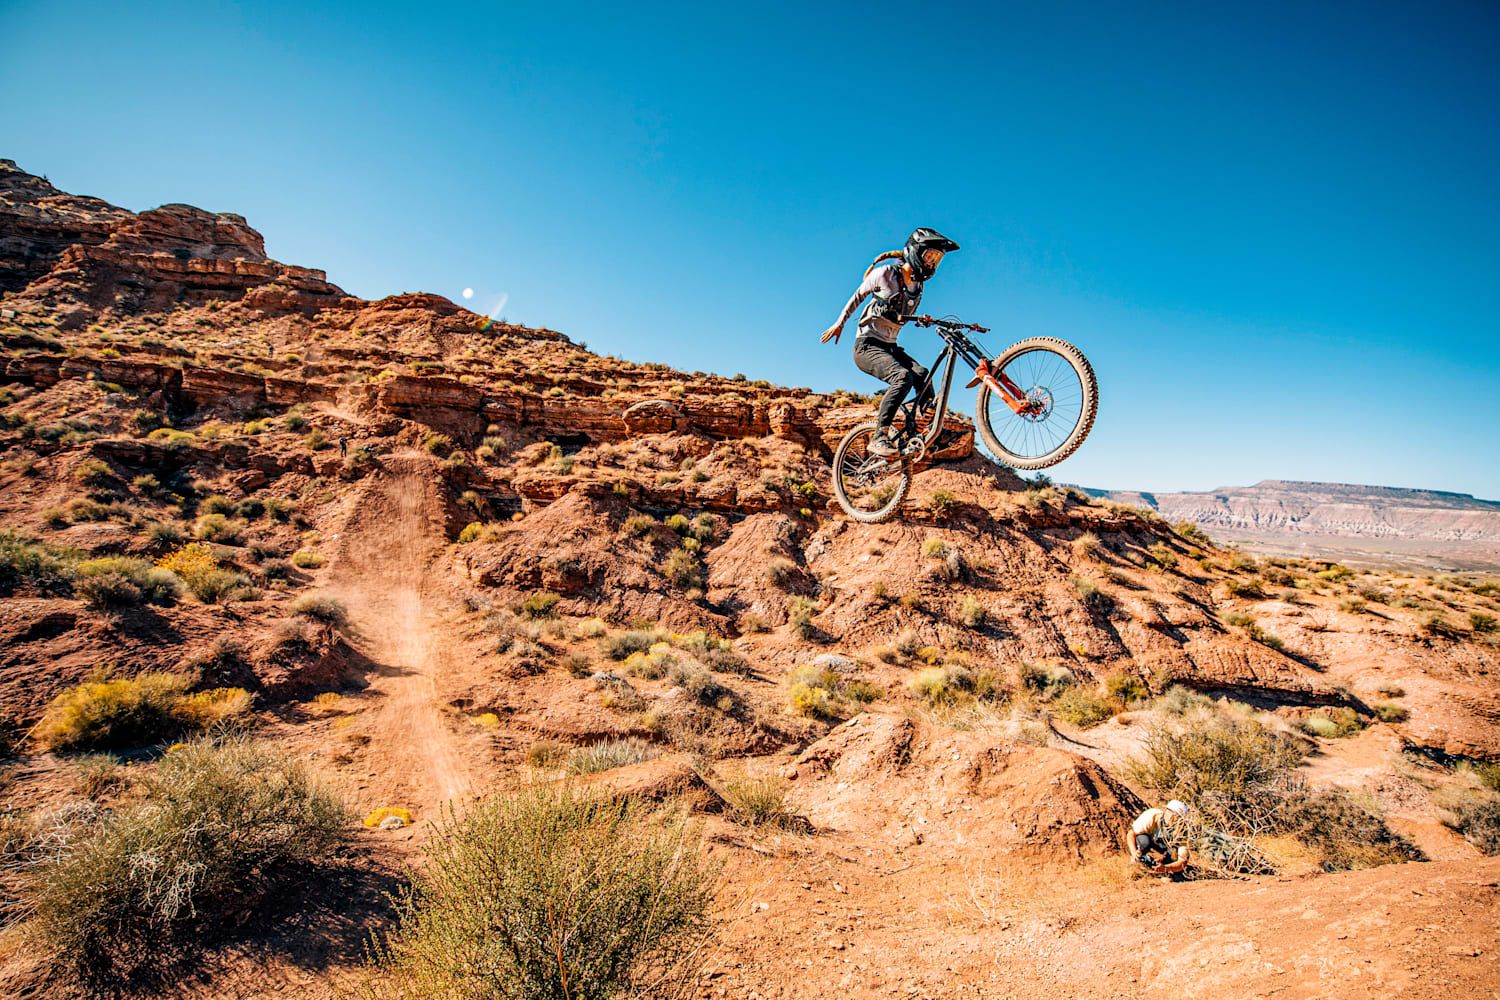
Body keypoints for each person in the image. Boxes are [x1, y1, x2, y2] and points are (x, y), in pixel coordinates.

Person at [820, 228, 960, 457]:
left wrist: (919, 319)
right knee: (902, 377)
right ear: (916, 252)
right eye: (930, 257)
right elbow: (858, 296)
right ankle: (879, 436)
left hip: (890, 347)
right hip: (867, 347)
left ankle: (924, 431)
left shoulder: (918, 286)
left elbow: (898, 314)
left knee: (923, 374)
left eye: (937, 260)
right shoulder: (886, 274)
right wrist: (839, 323)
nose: (932, 264)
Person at [1129, 799, 1190, 875]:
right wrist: (1134, 852)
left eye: (1177, 817)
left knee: (1174, 853)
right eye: (1170, 813)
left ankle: (1164, 870)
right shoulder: (1152, 816)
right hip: (1149, 839)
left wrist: (1166, 868)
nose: (1172, 818)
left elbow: (1183, 861)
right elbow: (1131, 833)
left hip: (1167, 846)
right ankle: (1136, 863)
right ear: (1165, 811)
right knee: (1143, 841)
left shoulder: (1183, 831)